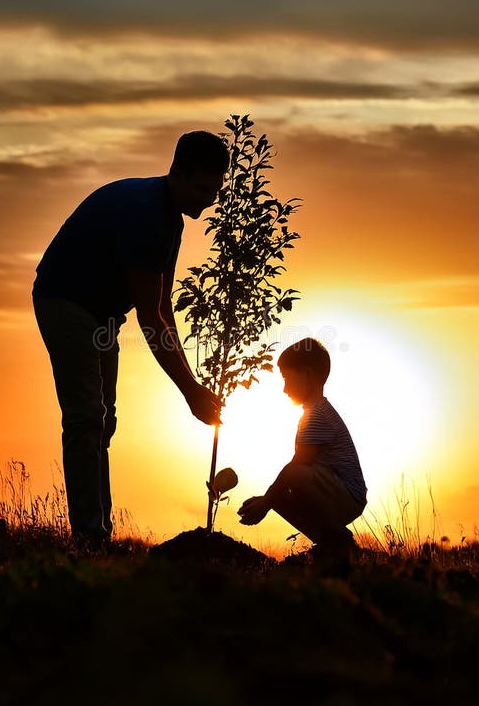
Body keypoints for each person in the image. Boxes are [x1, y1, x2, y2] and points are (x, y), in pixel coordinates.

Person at [32, 130, 229, 545]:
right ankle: (90, 538)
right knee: (87, 418)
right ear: (177, 172)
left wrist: (193, 383)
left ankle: (98, 532)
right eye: (201, 188)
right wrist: (190, 392)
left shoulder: (170, 221)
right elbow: (149, 320)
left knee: (105, 420)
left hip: (102, 315)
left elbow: (163, 308)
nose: (207, 200)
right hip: (65, 302)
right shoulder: (145, 214)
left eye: (214, 191)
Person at [238, 337, 367, 562]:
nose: (285, 388)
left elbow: (297, 466)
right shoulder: (313, 413)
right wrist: (269, 500)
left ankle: (336, 540)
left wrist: (264, 503)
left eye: (287, 378)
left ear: (307, 374)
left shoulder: (318, 416)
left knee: (293, 477)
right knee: (277, 496)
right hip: (336, 493)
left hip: (346, 495)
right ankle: (334, 542)